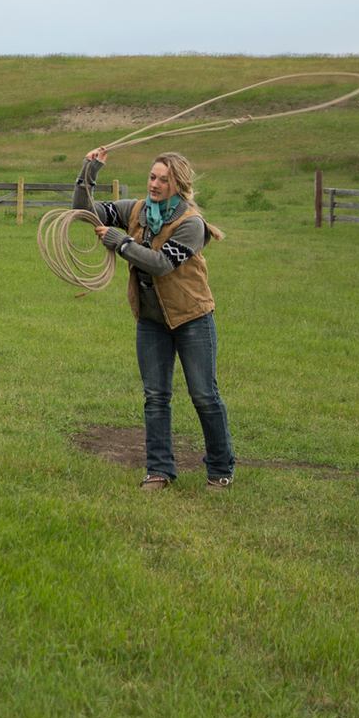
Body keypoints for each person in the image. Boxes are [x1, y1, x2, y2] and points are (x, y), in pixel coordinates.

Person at [75, 145, 235, 490]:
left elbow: (161, 264)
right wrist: (88, 172)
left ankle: (221, 469)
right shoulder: (136, 210)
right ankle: (159, 470)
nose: (155, 184)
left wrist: (121, 243)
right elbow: (84, 212)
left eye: (164, 179)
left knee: (204, 394)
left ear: (179, 185)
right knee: (156, 395)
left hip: (191, 318)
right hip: (151, 320)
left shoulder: (190, 223)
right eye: (152, 176)